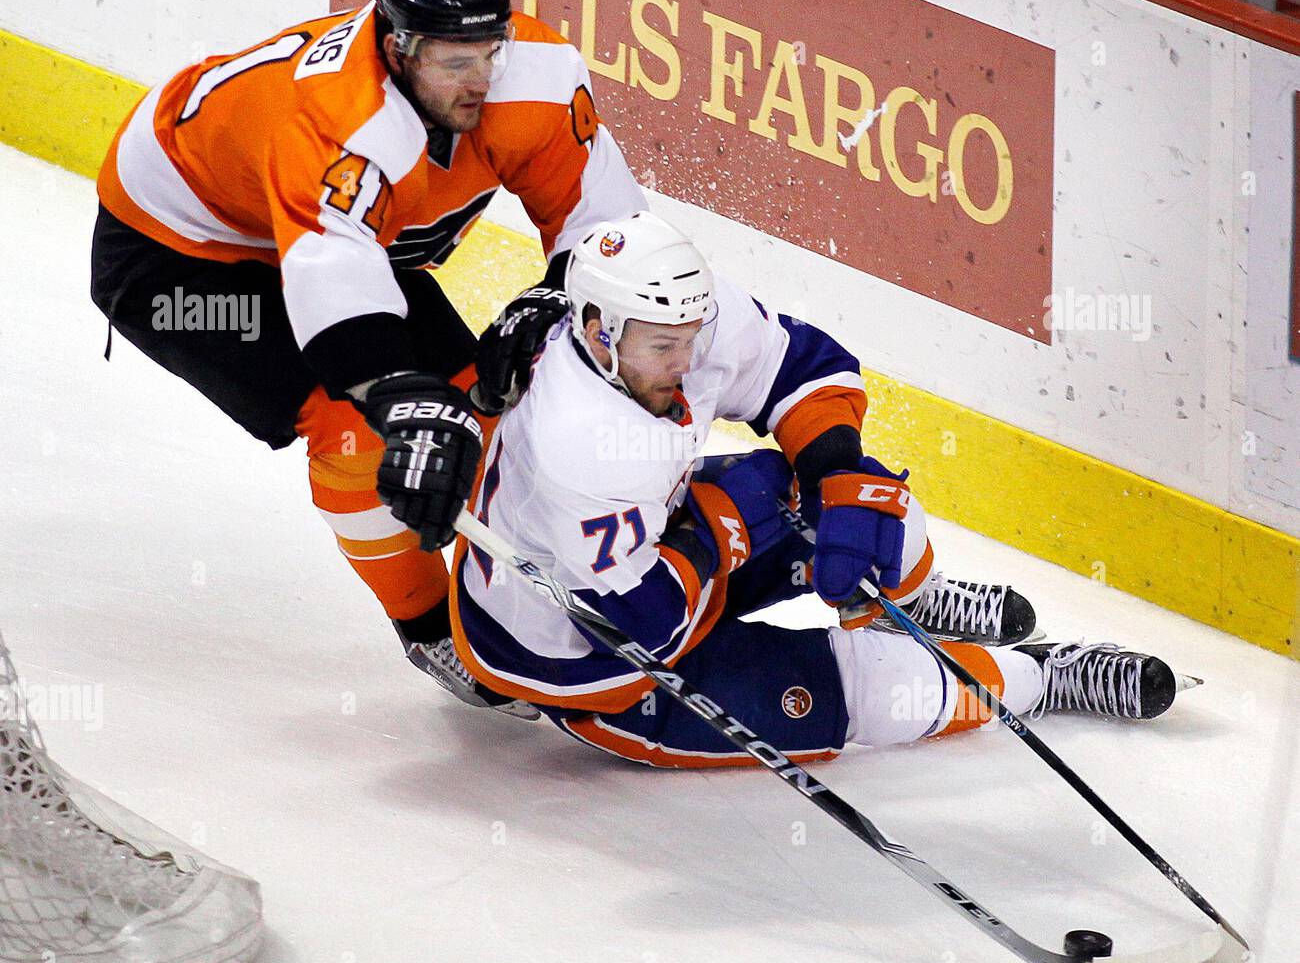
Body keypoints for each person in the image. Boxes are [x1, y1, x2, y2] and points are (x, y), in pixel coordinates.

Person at [89, 0, 646, 717]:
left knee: (485, 405)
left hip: (316, 224)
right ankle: (430, 630)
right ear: (399, 47)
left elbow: (607, 224)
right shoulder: (339, 123)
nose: (482, 81)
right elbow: (334, 293)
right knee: (359, 422)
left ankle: (530, 596)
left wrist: (555, 295)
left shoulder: (538, 78)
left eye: (491, 50)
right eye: (456, 62)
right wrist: (397, 397)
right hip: (178, 253)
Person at [449, 213, 1182, 767]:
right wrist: (726, 526)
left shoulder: (679, 318)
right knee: (876, 692)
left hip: (662, 546)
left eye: (691, 335)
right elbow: (646, 626)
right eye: (662, 347)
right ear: (598, 332)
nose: (687, 358)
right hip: (594, 663)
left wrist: (834, 474)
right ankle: (1042, 677)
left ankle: (907, 607)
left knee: (868, 510)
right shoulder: (578, 439)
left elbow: (806, 366)